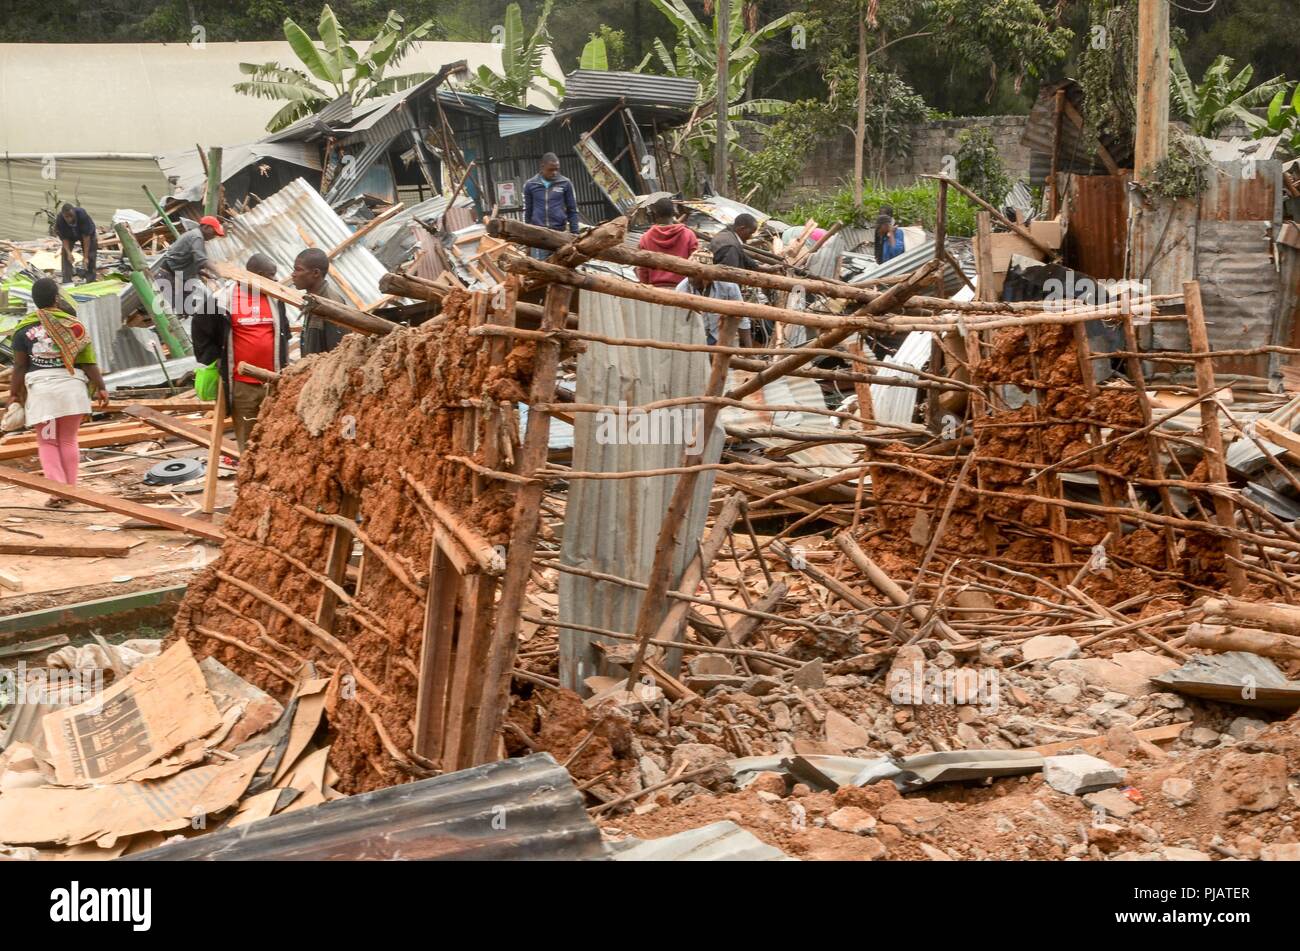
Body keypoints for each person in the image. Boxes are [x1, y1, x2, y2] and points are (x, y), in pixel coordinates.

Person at [9, 278, 108, 501]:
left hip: (44, 395)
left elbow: (20, 366)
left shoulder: (23, 329)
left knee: (47, 441)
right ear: (57, 298)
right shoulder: (75, 326)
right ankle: (70, 490)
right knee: (68, 440)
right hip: (72, 391)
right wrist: (101, 388)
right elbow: (88, 362)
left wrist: (14, 394)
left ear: (34, 302)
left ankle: (57, 492)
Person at [193, 254, 291, 451]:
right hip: (242, 386)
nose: (274, 280)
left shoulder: (275, 298)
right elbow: (200, 326)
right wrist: (214, 357)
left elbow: (284, 333)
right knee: (248, 441)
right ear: (258, 275)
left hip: (273, 382)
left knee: (275, 437)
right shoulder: (225, 298)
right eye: (271, 276)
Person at [155, 215, 224, 316]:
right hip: (169, 276)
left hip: (179, 277)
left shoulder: (196, 236)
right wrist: (220, 272)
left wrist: (205, 274)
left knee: (185, 308)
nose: (214, 236)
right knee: (167, 312)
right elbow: (201, 260)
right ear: (206, 227)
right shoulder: (197, 236)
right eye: (214, 232)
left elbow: (190, 260)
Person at [292, 248, 349, 356]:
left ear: (316, 273)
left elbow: (337, 354)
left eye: (298, 270)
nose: (293, 274)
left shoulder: (331, 305)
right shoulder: (312, 301)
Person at [674, 271, 753, 349]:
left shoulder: (728, 286)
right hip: (696, 336)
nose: (691, 280)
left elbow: (741, 316)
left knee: (729, 356)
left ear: (709, 278)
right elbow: (680, 324)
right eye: (689, 277)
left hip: (724, 335)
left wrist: (749, 350)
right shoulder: (682, 289)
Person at [523, 153, 580, 258]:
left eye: (556, 169)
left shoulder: (565, 183)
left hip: (559, 233)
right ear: (542, 166)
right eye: (551, 169)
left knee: (561, 268)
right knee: (540, 269)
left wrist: (575, 234)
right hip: (539, 235)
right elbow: (528, 211)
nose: (554, 173)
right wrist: (527, 235)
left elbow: (572, 210)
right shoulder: (530, 184)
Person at [636, 197, 697, 287]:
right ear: (673, 212)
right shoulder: (688, 235)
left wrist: (645, 287)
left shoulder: (646, 238)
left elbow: (642, 270)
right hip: (683, 290)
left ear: (654, 214)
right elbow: (696, 264)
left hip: (656, 291)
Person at [55, 204, 97, 284]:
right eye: (66, 217)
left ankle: (90, 278)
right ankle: (67, 280)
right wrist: (68, 253)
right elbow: (64, 239)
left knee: (91, 254)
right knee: (65, 254)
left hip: (85, 233)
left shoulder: (81, 214)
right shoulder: (60, 219)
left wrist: (85, 257)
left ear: (74, 212)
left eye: (71, 216)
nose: (69, 219)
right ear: (63, 215)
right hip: (70, 234)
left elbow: (86, 237)